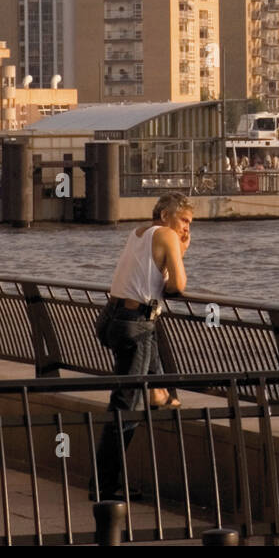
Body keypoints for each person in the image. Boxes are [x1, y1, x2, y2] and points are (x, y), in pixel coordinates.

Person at [90, 192, 193, 502]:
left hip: (116, 317)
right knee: (125, 409)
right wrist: (182, 247)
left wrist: (180, 247)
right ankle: (105, 487)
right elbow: (178, 285)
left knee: (153, 393)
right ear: (165, 216)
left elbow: (152, 274)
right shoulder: (166, 234)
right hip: (135, 323)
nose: (186, 227)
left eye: (190, 223)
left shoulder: (140, 233)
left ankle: (159, 392)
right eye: (184, 220)